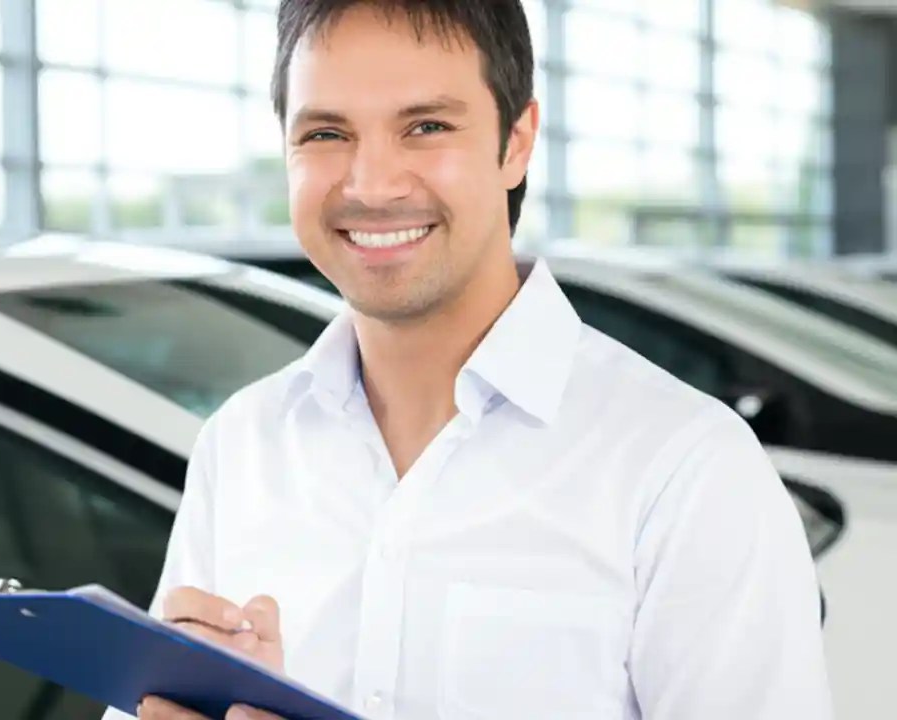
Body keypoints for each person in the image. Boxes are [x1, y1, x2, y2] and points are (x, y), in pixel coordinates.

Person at [121, 1, 833, 718]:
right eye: (327, 133)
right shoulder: (242, 444)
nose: (371, 185)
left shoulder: (682, 467)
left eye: (426, 127)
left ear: (516, 142)